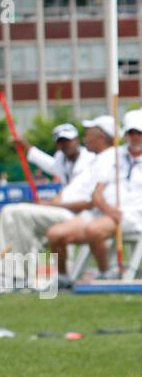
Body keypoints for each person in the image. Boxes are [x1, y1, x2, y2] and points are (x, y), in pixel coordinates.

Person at [0, 117, 113, 289]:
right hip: (65, 211)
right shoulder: (66, 160)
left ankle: (16, 275)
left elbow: (90, 201)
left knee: (14, 212)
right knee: (10, 212)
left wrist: (53, 204)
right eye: (61, 142)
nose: (66, 145)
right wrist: (26, 146)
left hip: (77, 216)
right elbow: (52, 168)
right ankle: (7, 274)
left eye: (69, 140)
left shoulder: (96, 161)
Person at [48, 111, 142, 278]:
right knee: (55, 234)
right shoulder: (114, 156)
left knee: (94, 230)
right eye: (131, 133)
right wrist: (107, 209)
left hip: (132, 216)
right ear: (126, 135)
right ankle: (63, 278)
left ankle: (106, 273)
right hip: (103, 212)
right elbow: (96, 193)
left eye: (139, 133)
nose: (134, 137)